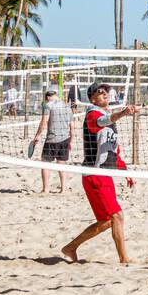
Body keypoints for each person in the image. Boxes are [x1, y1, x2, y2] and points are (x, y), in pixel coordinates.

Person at [61, 82, 138, 265]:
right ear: (92, 98)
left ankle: (70, 247)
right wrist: (123, 113)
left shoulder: (108, 119)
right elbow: (102, 122)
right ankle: (124, 260)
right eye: (99, 91)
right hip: (93, 173)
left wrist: (125, 170)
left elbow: (112, 150)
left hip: (105, 173)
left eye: (106, 91)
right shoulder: (92, 114)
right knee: (117, 216)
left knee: (106, 221)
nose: (104, 93)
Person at [29, 90, 74, 193]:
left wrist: (37, 136)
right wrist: (70, 141)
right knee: (62, 163)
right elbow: (72, 127)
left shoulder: (48, 105)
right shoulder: (67, 106)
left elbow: (44, 122)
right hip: (65, 138)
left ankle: (46, 189)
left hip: (52, 139)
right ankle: (63, 189)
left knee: (45, 163)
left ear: (47, 98)